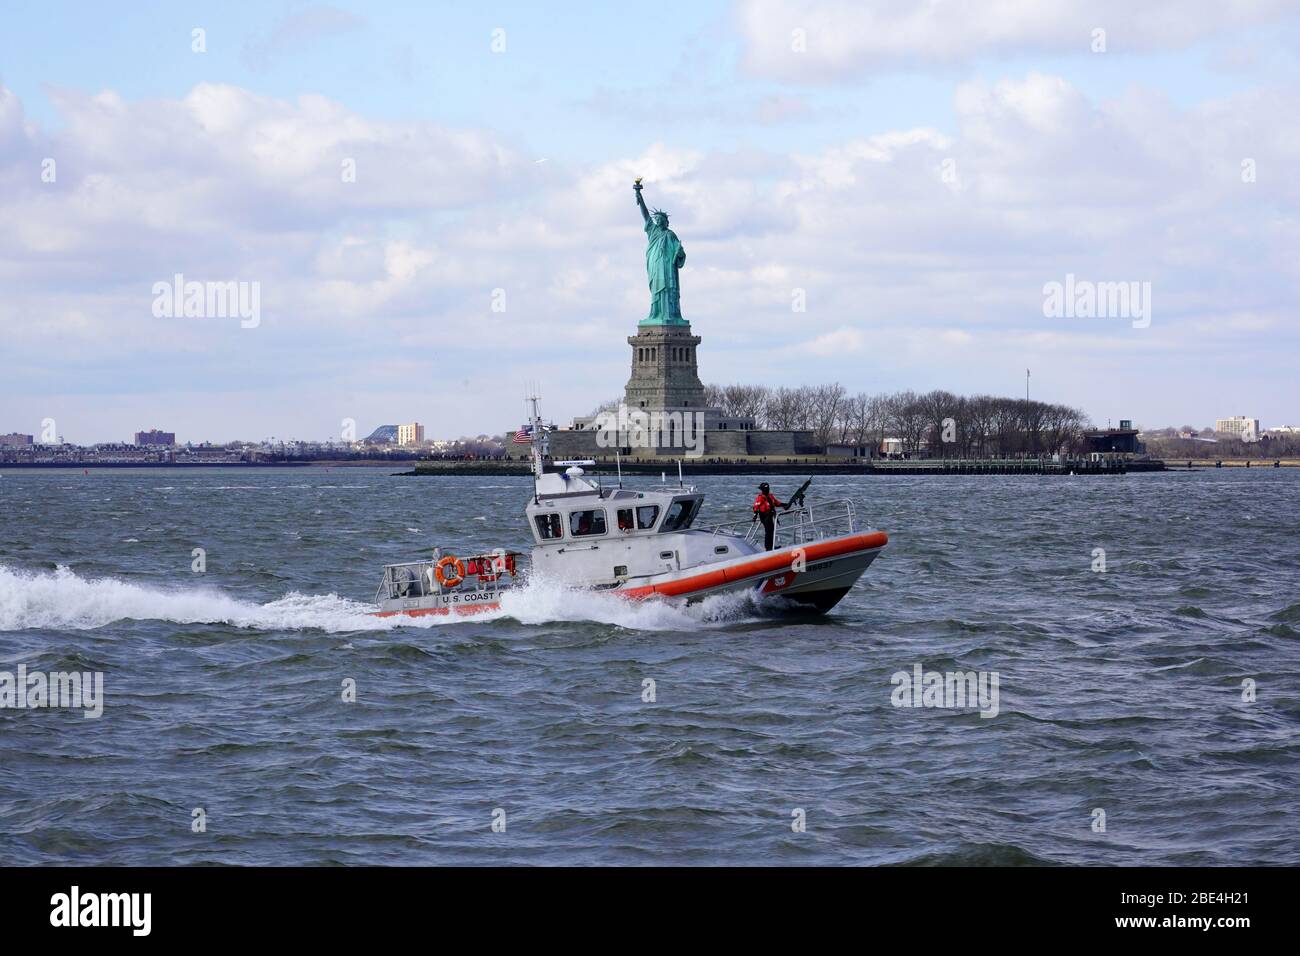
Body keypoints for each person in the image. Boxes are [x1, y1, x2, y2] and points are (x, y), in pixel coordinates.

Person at [751, 482, 789, 551]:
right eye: (765, 489)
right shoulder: (760, 498)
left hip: (770, 516)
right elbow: (756, 507)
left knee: (771, 531)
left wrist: (786, 504)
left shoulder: (770, 496)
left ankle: (771, 546)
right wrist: (755, 516)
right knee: (768, 532)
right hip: (764, 516)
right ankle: (768, 548)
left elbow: (777, 503)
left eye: (767, 489)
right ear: (762, 490)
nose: (767, 490)